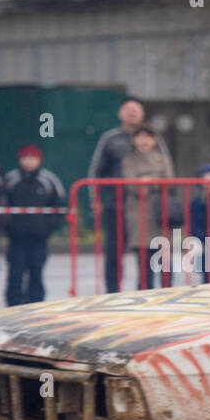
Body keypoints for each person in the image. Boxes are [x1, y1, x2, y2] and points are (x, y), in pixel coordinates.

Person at [88, 95, 170, 293]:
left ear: (142, 113)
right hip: (117, 205)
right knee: (114, 254)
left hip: (147, 207)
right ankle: (112, 294)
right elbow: (96, 171)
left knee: (148, 254)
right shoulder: (110, 139)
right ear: (120, 113)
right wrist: (95, 199)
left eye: (137, 108)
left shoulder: (154, 138)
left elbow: (165, 167)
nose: (133, 112)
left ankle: (148, 293)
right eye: (128, 108)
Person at [2, 146, 65, 305]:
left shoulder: (49, 180)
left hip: (39, 239)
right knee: (15, 273)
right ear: (20, 159)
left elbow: (60, 205)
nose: (29, 161)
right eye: (26, 157)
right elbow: (3, 204)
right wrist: (8, 227)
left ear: (39, 160)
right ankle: (13, 306)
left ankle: (35, 305)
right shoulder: (10, 179)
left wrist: (48, 227)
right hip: (16, 239)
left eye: (33, 158)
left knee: (36, 272)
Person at [120, 125, 174, 290]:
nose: (144, 141)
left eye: (148, 137)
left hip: (160, 213)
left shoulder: (162, 159)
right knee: (143, 266)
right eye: (140, 137)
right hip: (138, 214)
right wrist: (146, 182)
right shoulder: (128, 160)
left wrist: (146, 181)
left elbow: (169, 181)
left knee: (165, 263)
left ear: (154, 140)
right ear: (134, 140)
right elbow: (130, 184)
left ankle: (168, 296)